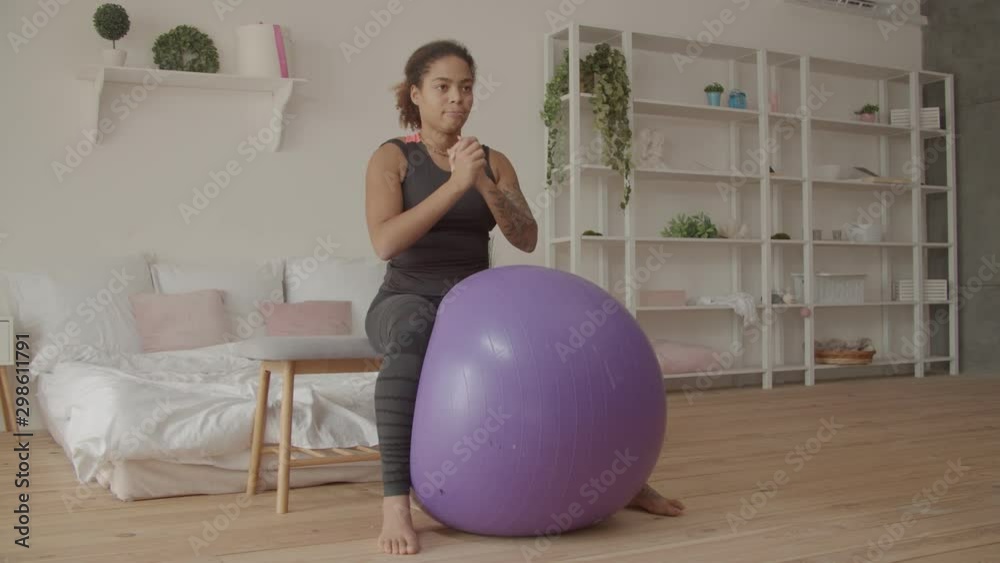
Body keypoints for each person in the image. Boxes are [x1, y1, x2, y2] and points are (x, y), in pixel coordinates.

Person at [364, 39, 685, 556]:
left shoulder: (493, 161)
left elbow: (526, 236)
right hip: (406, 299)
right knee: (411, 338)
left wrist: (482, 183)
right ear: (416, 94)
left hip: (475, 306)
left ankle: (621, 481)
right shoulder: (393, 156)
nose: (457, 98)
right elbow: (385, 242)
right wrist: (455, 184)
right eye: (443, 87)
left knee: (570, 346)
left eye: (466, 87)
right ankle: (396, 504)